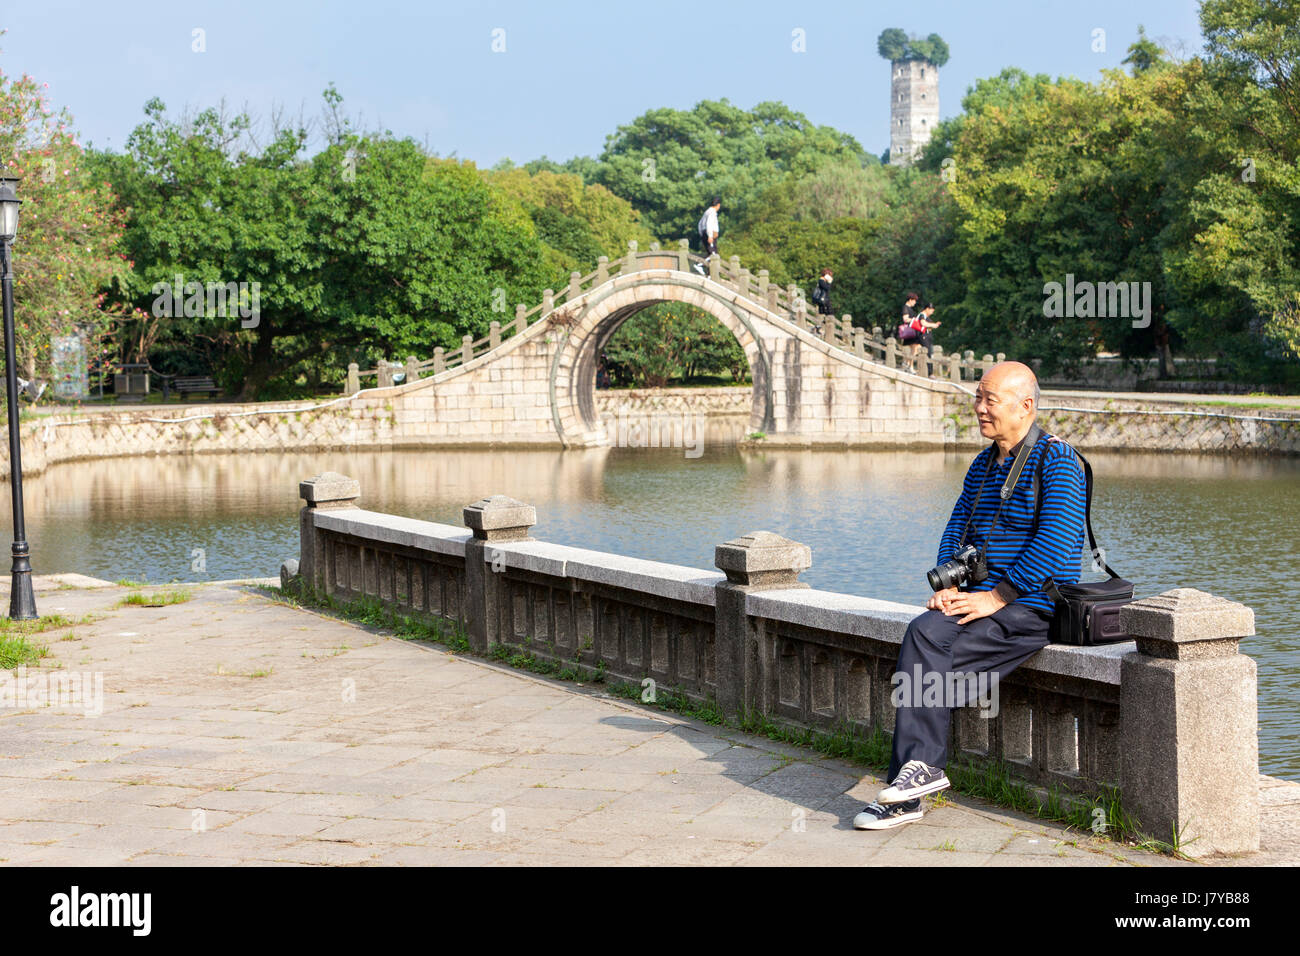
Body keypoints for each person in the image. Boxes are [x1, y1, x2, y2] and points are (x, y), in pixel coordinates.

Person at [853, 362, 1087, 830]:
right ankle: (913, 781)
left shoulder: (1058, 460)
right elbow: (956, 526)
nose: (979, 408)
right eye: (977, 398)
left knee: (922, 659)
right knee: (925, 634)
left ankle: (909, 784)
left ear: (1025, 406)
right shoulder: (983, 464)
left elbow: (1057, 544)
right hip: (978, 602)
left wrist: (996, 598)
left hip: (1031, 608)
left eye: (989, 400)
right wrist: (949, 584)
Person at [905, 303, 940, 372]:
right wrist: (933, 325)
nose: (932, 313)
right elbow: (923, 323)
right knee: (925, 352)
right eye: (932, 311)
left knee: (915, 351)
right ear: (927, 309)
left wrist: (933, 326)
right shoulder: (922, 315)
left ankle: (908, 364)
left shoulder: (925, 316)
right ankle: (910, 365)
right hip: (921, 336)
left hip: (921, 335)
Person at [693, 197, 722, 275]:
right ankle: (700, 265)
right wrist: (709, 236)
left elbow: (700, 224)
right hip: (709, 235)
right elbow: (709, 224)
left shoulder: (707, 212)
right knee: (713, 254)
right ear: (718, 205)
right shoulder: (712, 212)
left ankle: (709, 274)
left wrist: (702, 234)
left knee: (710, 254)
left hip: (705, 234)